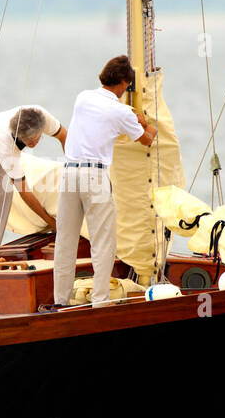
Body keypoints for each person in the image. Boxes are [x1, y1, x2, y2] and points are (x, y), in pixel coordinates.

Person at [51, 55, 155, 307]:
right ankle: (100, 301)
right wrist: (146, 122)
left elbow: (103, 117)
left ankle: (60, 301)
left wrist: (129, 116)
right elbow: (147, 139)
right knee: (103, 242)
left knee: (65, 241)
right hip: (94, 177)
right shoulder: (122, 113)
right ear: (123, 82)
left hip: (69, 173)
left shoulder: (83, 97)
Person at [0, 105, 66, 263]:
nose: (33, 143)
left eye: (36, 138)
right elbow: (23, 191)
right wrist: (51, 222)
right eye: (28, 141)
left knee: (4, 194)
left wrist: (73, 169)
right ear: (17, 134)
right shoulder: (5, 143)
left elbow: (64, 136)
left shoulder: (43, 118)